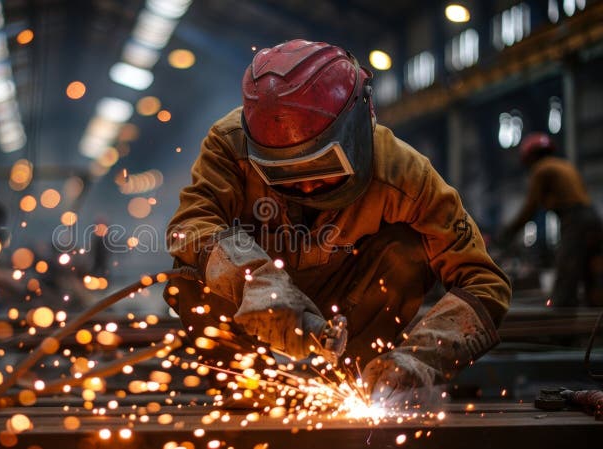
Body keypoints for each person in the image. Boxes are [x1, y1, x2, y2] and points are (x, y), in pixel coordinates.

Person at [164, 39, 511, 404]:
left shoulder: (404, 173)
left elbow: (484, 282)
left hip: (349, 309)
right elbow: (191, 225)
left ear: (356, 133)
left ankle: (358, 380)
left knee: (407, 250)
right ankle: (245, 384)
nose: (306, 186)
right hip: (254, 311)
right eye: (283, 174)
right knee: (191, 271)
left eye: (321, 167)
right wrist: (258, 283)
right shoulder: (228, 144)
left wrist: (420, 359)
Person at [499, 132, 603, 306]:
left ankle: (562, 328)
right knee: (591, 273)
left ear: (530, 157)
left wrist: (508, 232)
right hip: (593, 218)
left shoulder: (541, 169)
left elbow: (530, 207)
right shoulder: (564, 165)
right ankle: (594, 318)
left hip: (575, 221)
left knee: (566, 274)